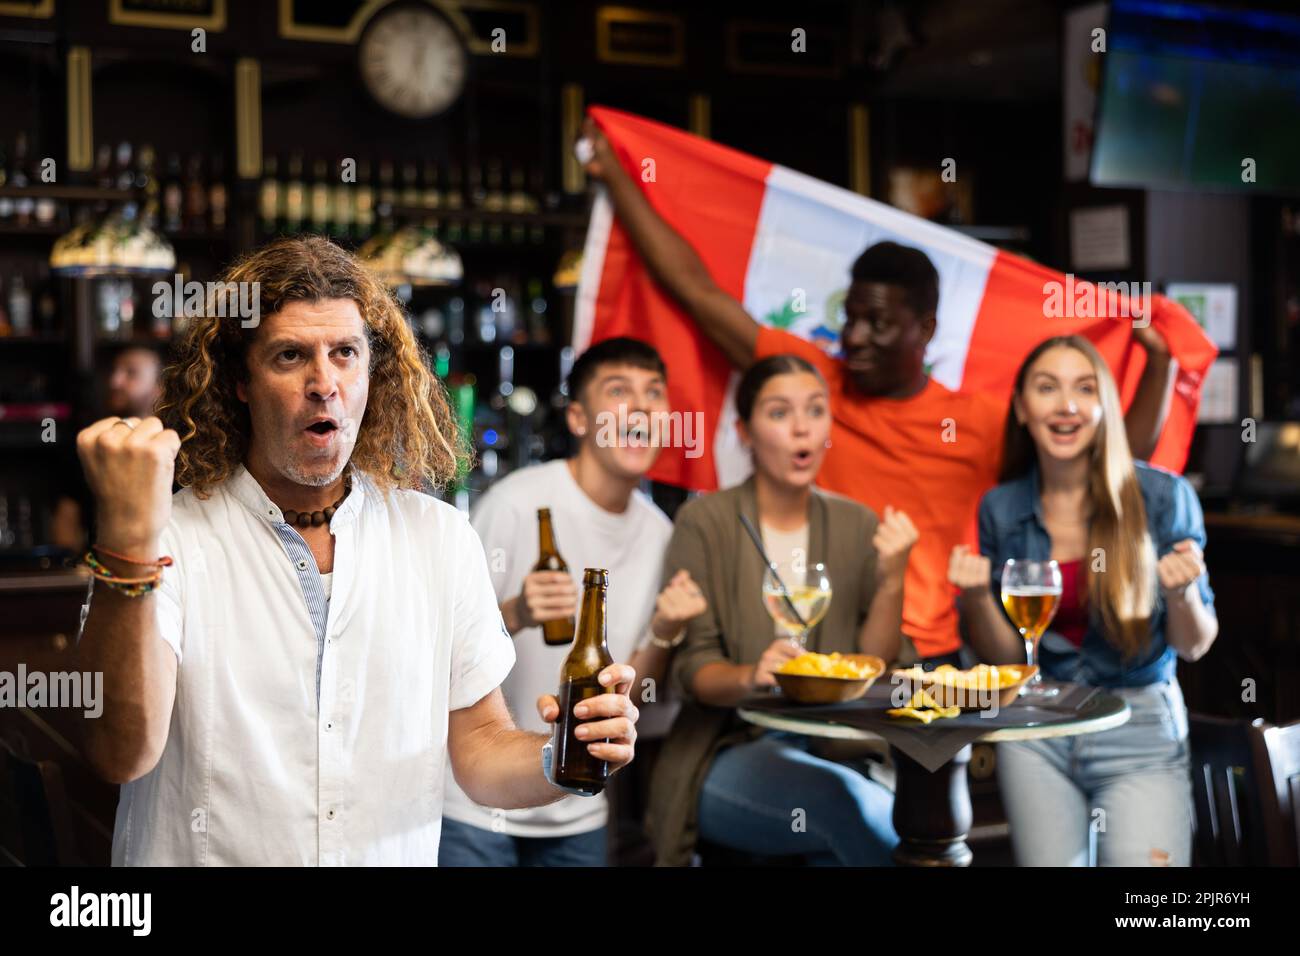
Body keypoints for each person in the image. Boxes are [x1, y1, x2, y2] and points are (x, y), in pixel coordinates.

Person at [72, 236, 639, 865]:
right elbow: (118, 752)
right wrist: (126, 538)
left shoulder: (439, 538)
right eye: (290, 356)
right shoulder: (170, 539)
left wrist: (565, 751)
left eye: (345, 353)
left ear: (373, 372)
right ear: (239, 382)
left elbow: (479, 752)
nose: (324, 384)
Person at [580, 118, 1177, 666]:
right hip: (830, 645)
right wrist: (619, 176)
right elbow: (699, 294)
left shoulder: (979, 420)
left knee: (933, 780)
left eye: (879, 323)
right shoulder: (813, 387)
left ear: (926, 330)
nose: (856, 337)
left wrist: (1159, 361)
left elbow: (1114, 454)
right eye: (851, 317)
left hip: (941, 655)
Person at [948, 334, 1217, 867]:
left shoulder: (1163, 497)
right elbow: (1006, 662)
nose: (1066, 405)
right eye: (1047, 388)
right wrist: (976, 598)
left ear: (1105, 407)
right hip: (1035, 728)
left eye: (1084, 388)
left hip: (1138, 728)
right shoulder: (1000, 508)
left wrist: (1181, 593)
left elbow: (1195, 646)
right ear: (1023, 408)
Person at [439, 336, 706, 867]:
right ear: (581, 419)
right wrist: (515, 612)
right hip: (474, 807)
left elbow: (634, 698)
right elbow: (439, 650)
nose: (640, 407)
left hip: (579, 808)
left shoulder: (660, 534)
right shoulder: (516, 503)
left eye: (653, 393)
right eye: (619, 390)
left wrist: (665, 631)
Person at [647, 354, 919, 866]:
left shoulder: (855, 522)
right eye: (779, 413)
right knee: (850, 808)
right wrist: (755, 674)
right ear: (744, 431)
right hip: (726, 748)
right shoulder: (704, 522)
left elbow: (875, 664)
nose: (802, 428)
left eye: (815, 410)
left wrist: (892, 579)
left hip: (834, 745)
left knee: (869, 813)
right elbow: (694, 673)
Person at [51, 345, 166, 552]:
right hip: (101, 570)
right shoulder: (86, 442)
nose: (115, 381)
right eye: (114, 371)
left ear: (160, 386)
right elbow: (66, 521)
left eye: (131, 373)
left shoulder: (180, 448)